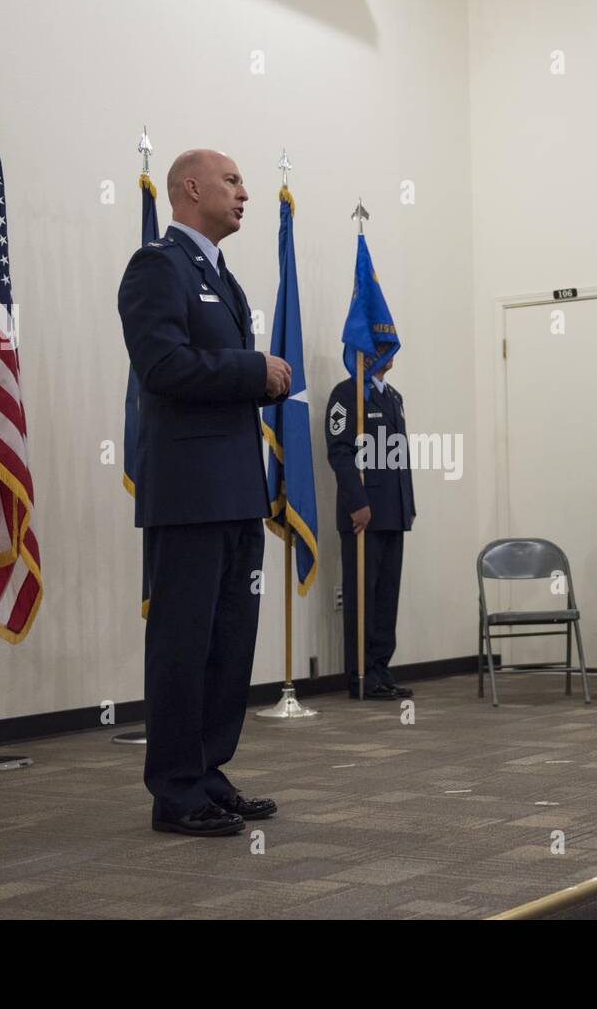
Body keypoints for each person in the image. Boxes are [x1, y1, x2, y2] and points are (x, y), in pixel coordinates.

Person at [118, 148, 292, 837]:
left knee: (228, 643)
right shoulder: (157, 266)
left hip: (236, 493)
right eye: (232, 180)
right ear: (190, 188)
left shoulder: (222, 278)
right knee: (183, 643)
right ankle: (174, 789)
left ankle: (208, 770)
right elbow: (161, 367)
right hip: (188, 494)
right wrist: (253, 370)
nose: (245, 192)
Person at [325, 347, 416, 700]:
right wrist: (357, 502)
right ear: (362, 352)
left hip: (393, 512)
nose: (389, 352)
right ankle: (361, 673)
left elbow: (399, 455)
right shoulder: (346, 394)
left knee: (386, 597)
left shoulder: (393, 397)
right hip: (364, 514)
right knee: (362, 597)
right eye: (381, 346)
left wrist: (407, 503)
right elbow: (340, 452)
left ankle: (381, 669)